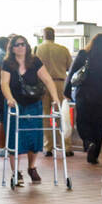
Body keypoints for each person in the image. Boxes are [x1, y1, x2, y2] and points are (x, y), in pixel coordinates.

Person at [0, 33, 62, 186]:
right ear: (12, 48)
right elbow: (4, 83)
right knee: (15, 139)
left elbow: (47, 79)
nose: (21, 47)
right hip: (17, 105)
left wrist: (55, 98)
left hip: (34, 104)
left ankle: (31, 167)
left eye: (23, 44)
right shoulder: (7, 63)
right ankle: (16, 172)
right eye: (17, 45)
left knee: (34, 137)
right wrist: (10, 98)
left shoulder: (34, 62)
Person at [64, 32, 102, 163]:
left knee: (83, 123)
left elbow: (72, 73)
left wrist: (67, 91)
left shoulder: (84, 55)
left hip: (84, 95)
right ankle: (94, 155)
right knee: (99, 126)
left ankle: (88, 142)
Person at [33, 27, 73, 156]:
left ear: (43, 36)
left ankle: (48, 147)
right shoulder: (63, 49)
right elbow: (69, 67)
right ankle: (66, 146)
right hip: (60, 83)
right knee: (62, 114)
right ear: (53, 35)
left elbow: (32, 68)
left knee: (45, 115)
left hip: (42, 84)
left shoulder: (37, 49)